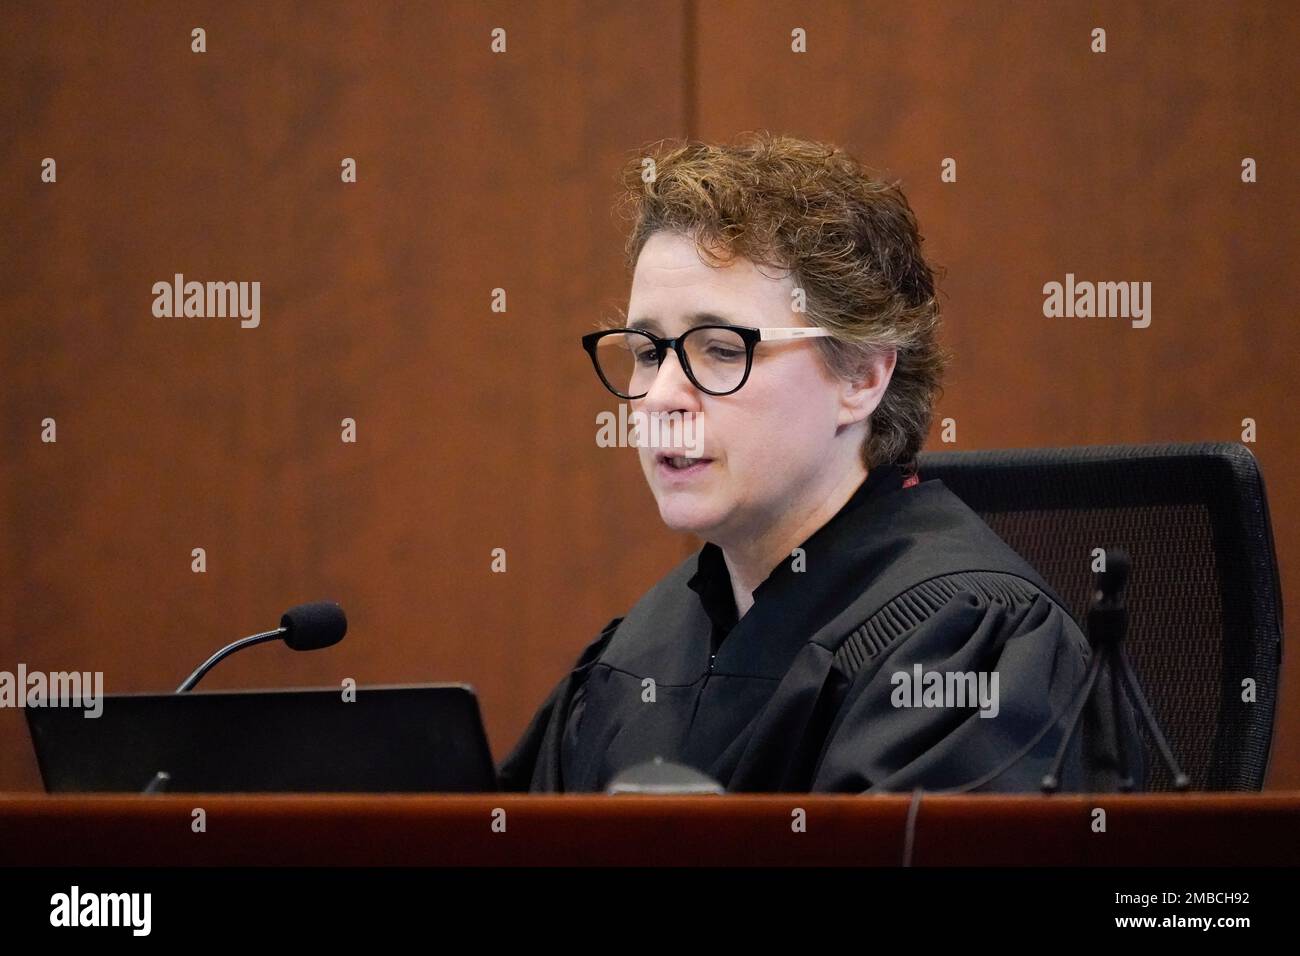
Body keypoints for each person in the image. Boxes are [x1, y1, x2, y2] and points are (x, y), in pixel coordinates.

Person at [498, 132, 1141, 793]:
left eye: (720, 349)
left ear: (860, 376)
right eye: (649, 351)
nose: (662, 397)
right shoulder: (640, 651)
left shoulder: (970, 647)